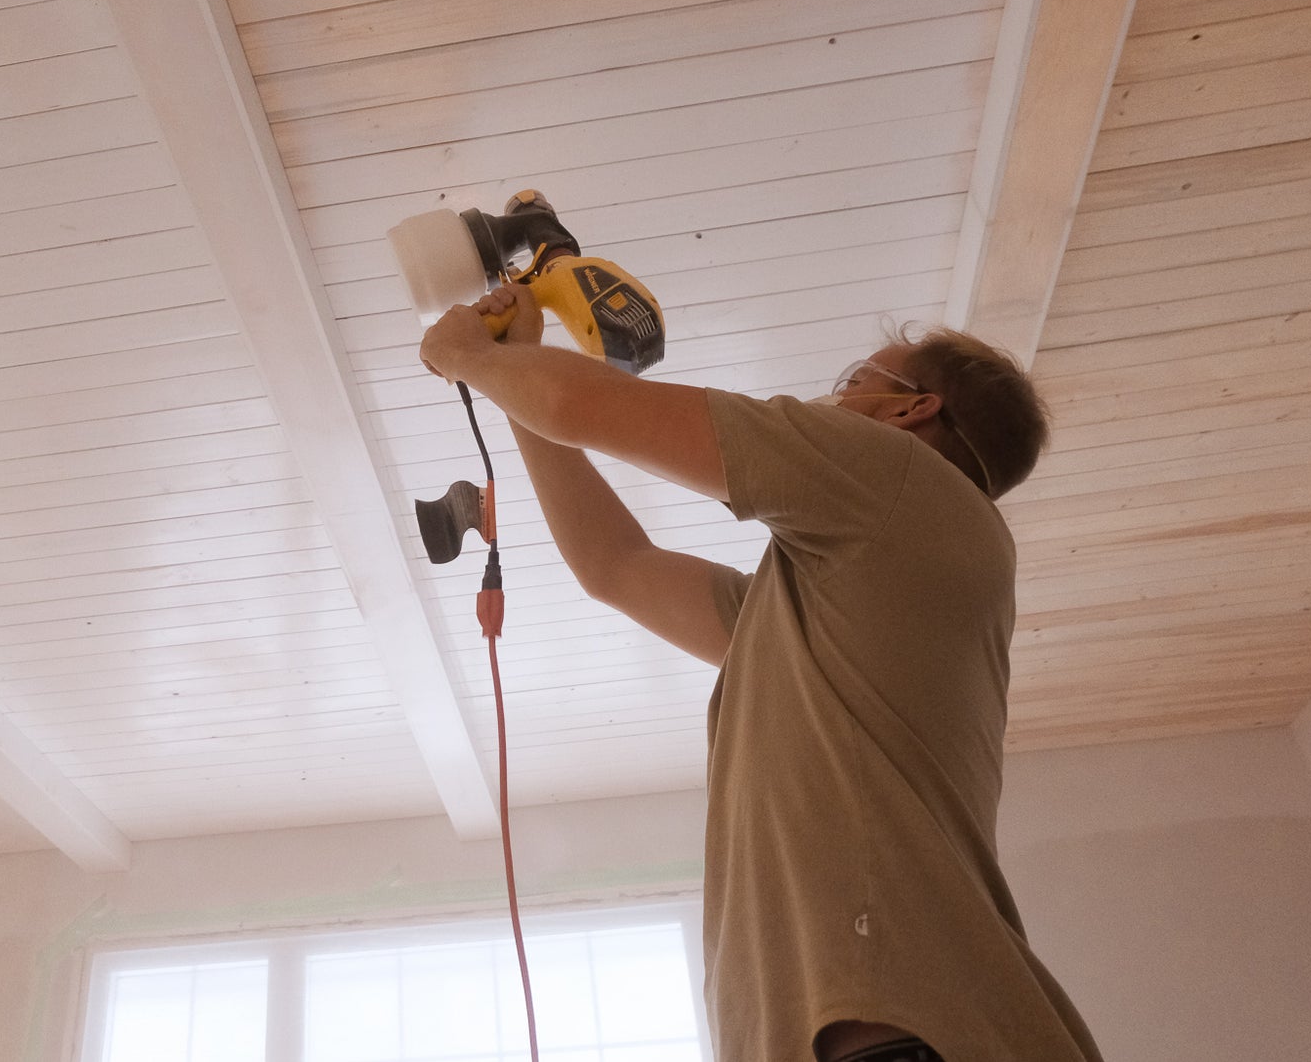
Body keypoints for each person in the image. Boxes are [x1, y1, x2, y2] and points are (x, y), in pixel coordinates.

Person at [419, 281, 1103, 1062]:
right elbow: (616, 563)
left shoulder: (900, 480)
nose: (830, 398)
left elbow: (583, 406)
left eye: (854, 380)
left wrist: (472, 357)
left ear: (911, 409)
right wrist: (515, 367)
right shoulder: (837, 601)